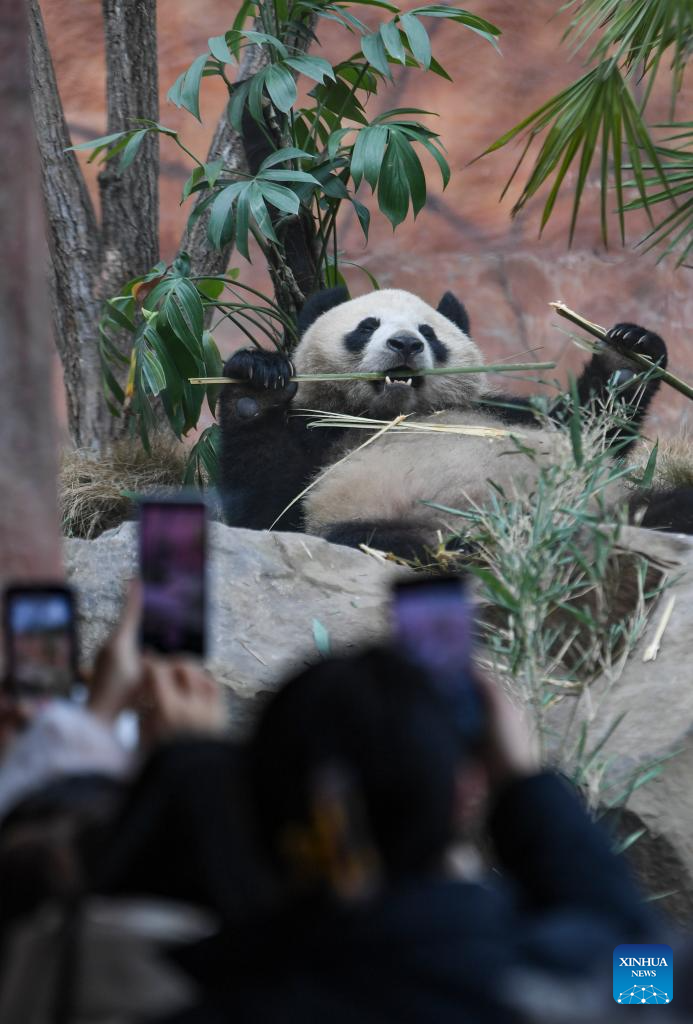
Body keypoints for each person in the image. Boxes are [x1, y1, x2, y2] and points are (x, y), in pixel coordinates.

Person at [157, 647, 660, 1024]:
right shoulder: (543, 976)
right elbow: (652, 971)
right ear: (466, 793)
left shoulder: (199, 989)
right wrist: (525, 787)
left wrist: (186, 771)